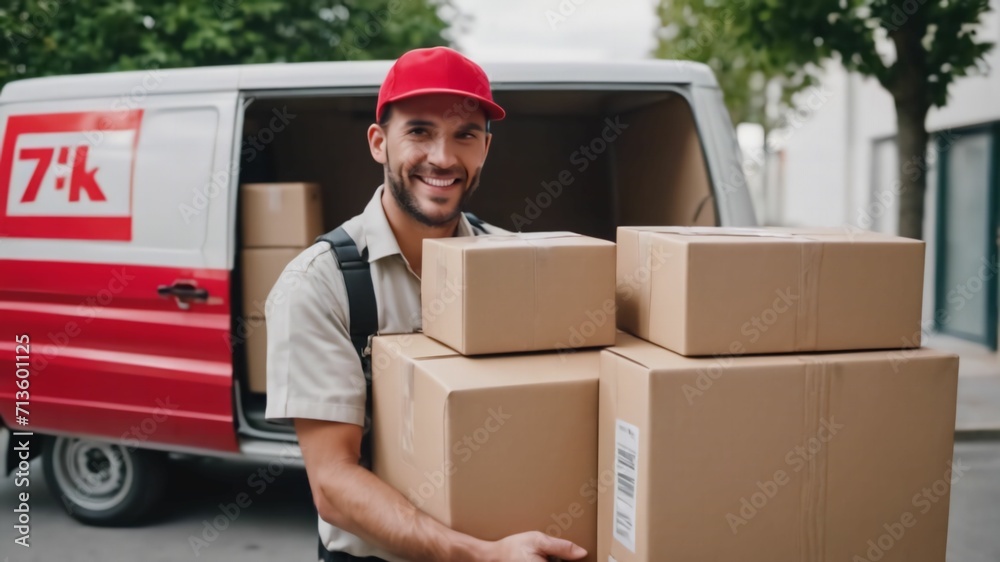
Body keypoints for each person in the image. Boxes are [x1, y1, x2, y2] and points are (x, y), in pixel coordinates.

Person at [264, 47, 589, 562]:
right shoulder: (319, 284)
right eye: (418, 131)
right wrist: (479, 554)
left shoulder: (517, 262)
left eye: (465, 135)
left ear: (486, 148)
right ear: (379, 142)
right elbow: (332, 483)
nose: (442, 157)